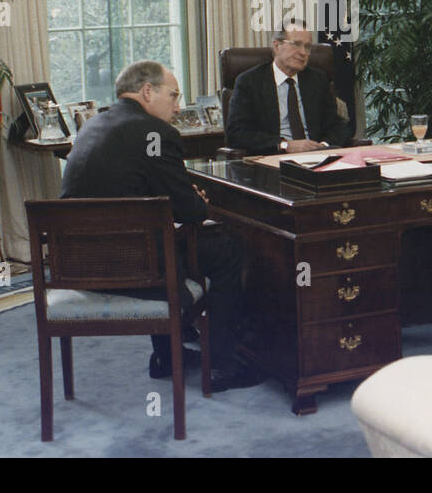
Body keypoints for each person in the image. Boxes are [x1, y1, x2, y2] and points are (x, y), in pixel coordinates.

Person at [60, 60, 262, 391]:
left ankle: (168, 355)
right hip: (128, 268)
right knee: (228, 253)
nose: (179, 107)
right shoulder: (155, 134)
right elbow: (192, 212)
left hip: (78, 262)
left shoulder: (93, 125)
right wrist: (195, 199)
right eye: (174, 96)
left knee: (158, 237)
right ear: (147, 91)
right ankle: (223, 365)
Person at [225, 23, 350, 155]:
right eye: (296, 44)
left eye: (307, 47)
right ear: (276, 46)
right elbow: (237, 134)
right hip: (274, 158)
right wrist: (285, 145)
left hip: (317, 158)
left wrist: (323, 147)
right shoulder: (249, 82)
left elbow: (337, 126)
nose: (303, 52)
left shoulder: (317, 80)